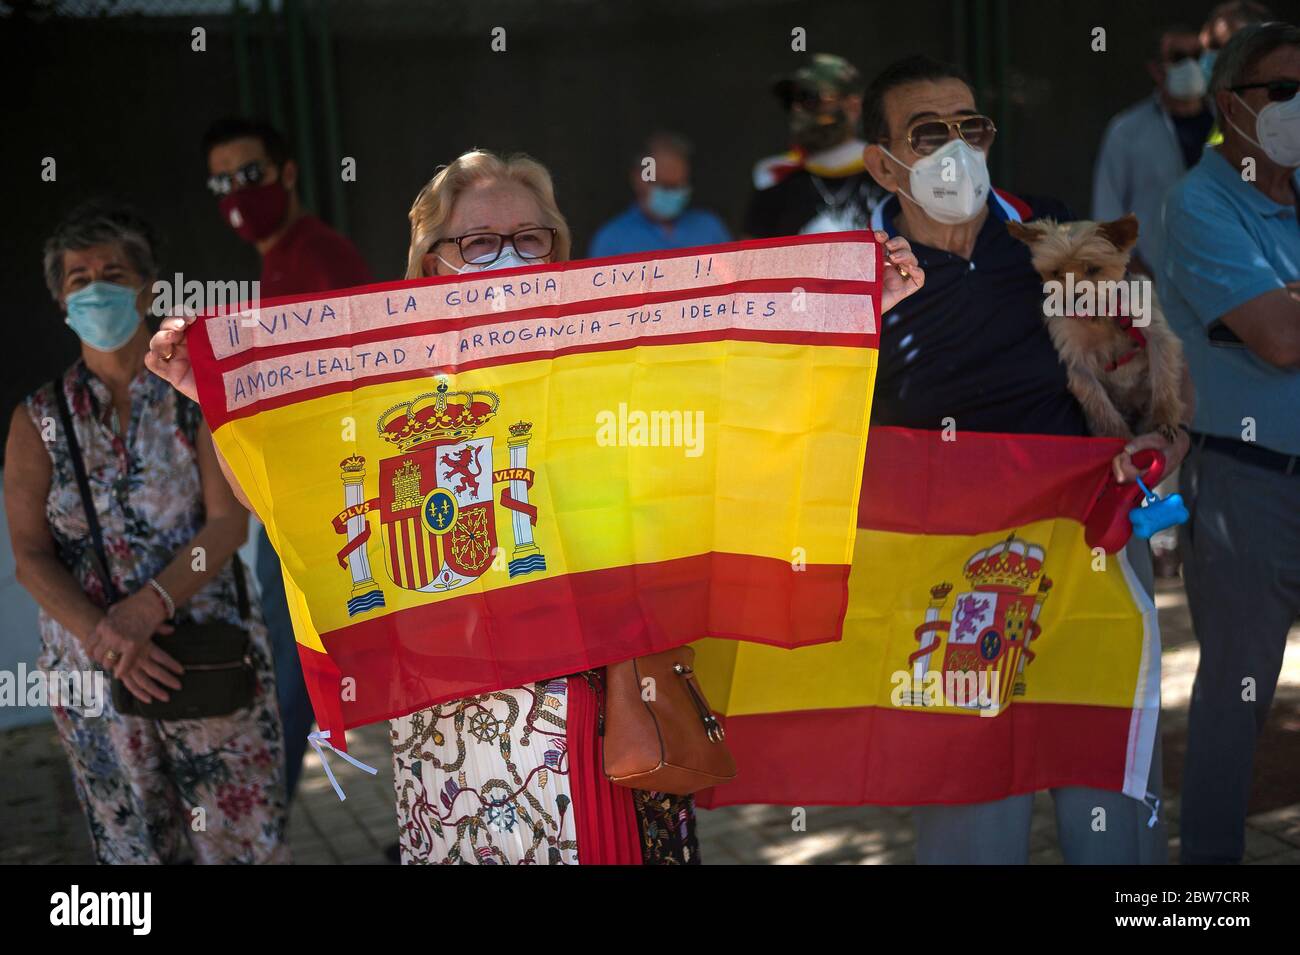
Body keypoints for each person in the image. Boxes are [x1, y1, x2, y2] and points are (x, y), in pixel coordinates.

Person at [146, 148, 923, 864]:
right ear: (429, 263)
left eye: (531, 237)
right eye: (479, 242)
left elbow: (737, 406)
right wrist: (208, 397)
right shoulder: (386, 392)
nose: (509, 258)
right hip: (454, 730)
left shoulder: (607, 366)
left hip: (602, 710)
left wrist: (852, 310)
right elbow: (294, 499)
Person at [860, 54, 1193, 864]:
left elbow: (1142, 368)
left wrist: (1158, 437)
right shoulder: (847, 275)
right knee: (972, 812)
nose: (954, 149)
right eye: (927, 132)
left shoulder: (1055, 234)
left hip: (1088, 547)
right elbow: (807, 425)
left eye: (969, 127)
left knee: (1112, 802)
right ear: (881, 161)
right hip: (950, 581)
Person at [4, 200, 288, 864]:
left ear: (149, 288)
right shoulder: (38, 420)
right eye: (78, 277)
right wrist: (107, 634)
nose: (95, 286)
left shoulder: (194, 393)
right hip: (94, 673)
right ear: (59, 299)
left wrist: (145, 609)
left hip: (208, 651)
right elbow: (29, 554)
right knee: (134, 847)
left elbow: (226, 523)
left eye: (113, 270)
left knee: (239, 841)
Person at [1159, 21, 1300, 865]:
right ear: (1229, 106)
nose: (1298, 109)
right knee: (1236, 697)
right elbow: (1279, 335)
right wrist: (1281, 303)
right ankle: (1206, 889)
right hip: (1247, 487)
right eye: (1282, 91)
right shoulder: (1200, 203)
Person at [202, 117, 373, 800]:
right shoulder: (282, 258)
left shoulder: (318, 257)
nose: (238, 192)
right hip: (295, 495)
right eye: (222, 181)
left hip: (320, 499)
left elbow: (354, 380)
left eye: (251, 173)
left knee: (295, 655)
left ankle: (259, 819)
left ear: (288, 173)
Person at [1093, 25, 1215, 278]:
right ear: (1156, 69)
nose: (1192, 65)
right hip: (1155, 289)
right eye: (1179, 58)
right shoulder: (1127, 131)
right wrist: (1141, 278)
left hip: (1230, 288)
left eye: (1198, 55)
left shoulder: (1233, 123)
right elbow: (1107, 217)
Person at [744, 53, 883, 238]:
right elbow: (749, 261)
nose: (797, 109)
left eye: (809, 98)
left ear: (852, 106)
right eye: (790, 100)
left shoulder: (888, 173)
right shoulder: (775, 178)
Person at [588, 131, 731, 257]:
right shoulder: (612, 240)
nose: (673, 193)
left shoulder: (710, 228)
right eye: (664, 185)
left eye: (679, 185)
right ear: (639, 179)